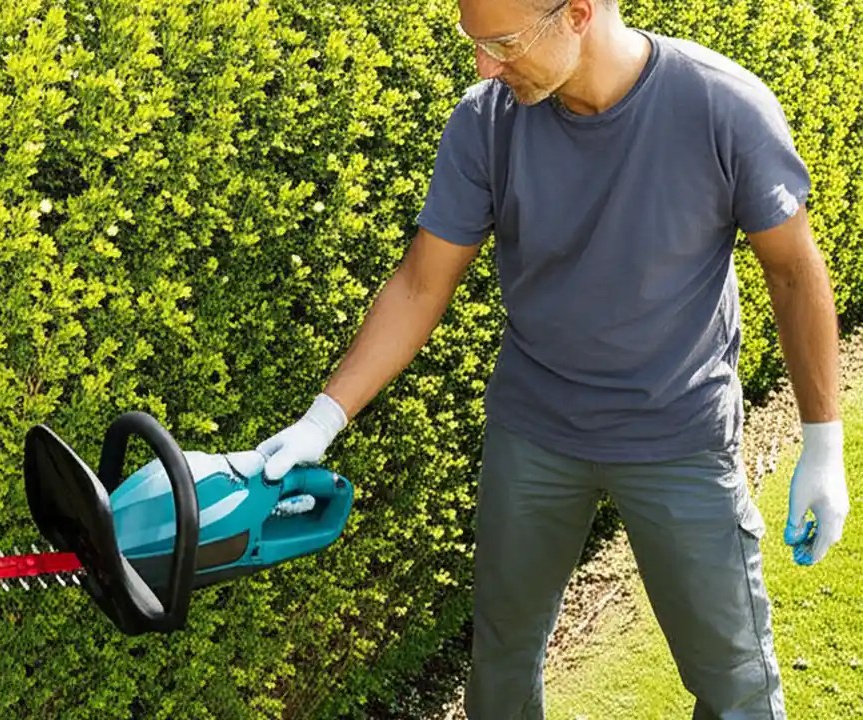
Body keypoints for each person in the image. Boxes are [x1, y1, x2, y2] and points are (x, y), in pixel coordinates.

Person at [254, 0, 850, 718]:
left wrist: (823, 443)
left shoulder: (720, 104)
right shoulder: (486, 122)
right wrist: (323, 419)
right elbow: (420, 282)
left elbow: (792, 271)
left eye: (502, 43)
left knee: (735, 682)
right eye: (473, 43)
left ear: (577, 14)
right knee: (501, 661)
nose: (483, 65)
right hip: (534, 432)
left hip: (679, 437)